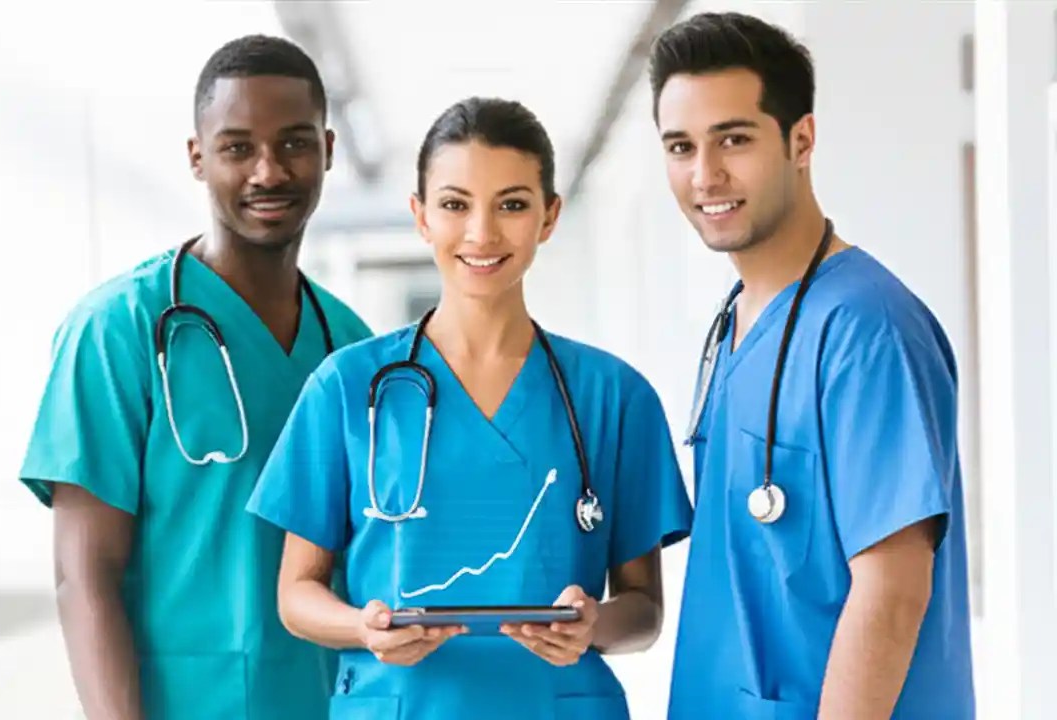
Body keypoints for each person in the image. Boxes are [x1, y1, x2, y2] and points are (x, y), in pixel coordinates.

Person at [245, 97, 693, 720]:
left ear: (549, 216)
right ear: (421, 216)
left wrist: (594, 625)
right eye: (455, 204)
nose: (482, 233)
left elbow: (644, 611)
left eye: (512, 204)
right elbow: (296, 595)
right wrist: (363, 628)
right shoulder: (346, 387)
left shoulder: (613, 396)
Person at [17, 35, 372, 720]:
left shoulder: (351, 348)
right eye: (238, 147)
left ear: (328, 149)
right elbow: (82, 575)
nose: (268, 170)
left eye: (294, 143)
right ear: (197, 157)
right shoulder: (118, 330)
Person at [649, 12, 975, 719]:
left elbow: (892, 590)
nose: (705, 175)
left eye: (733, 139)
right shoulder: (735, 324)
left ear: (802, 139)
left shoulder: (867, 328)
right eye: (681, 146)